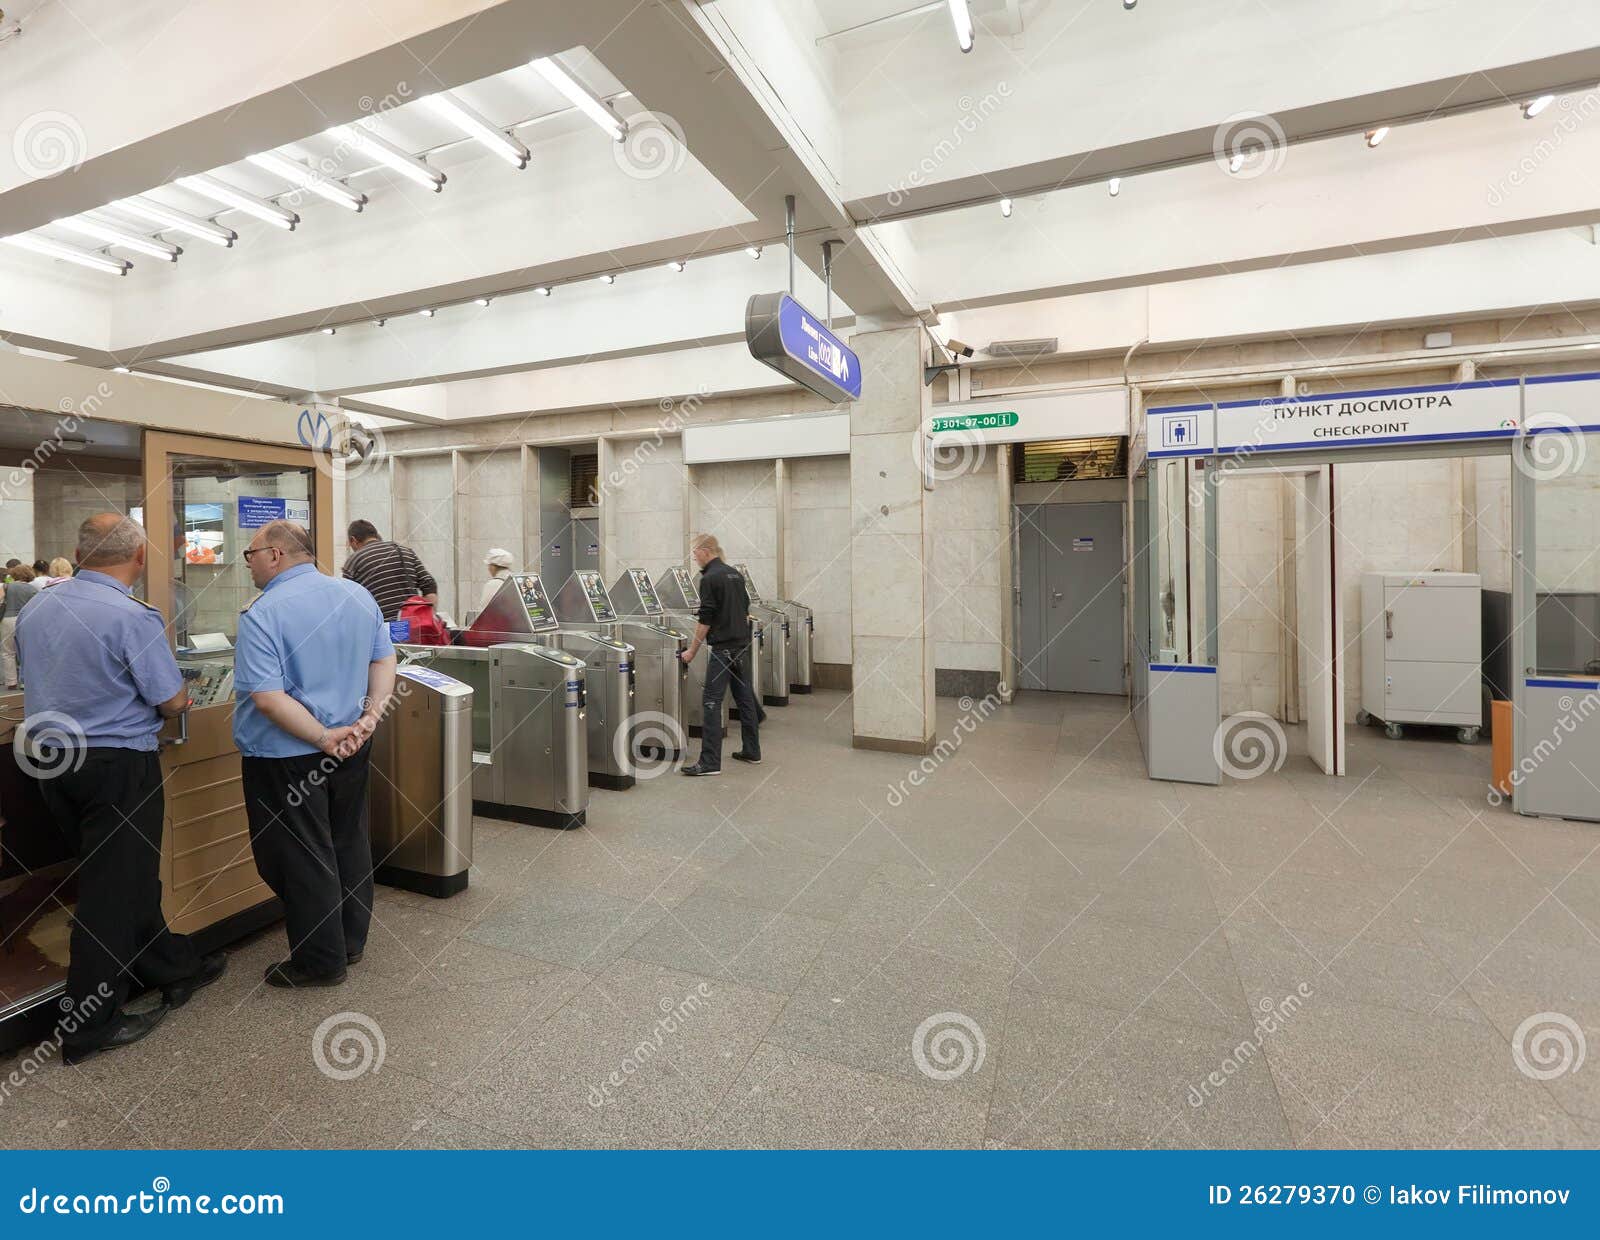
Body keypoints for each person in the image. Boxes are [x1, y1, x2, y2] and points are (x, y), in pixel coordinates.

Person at [14, 514, 226, 1064]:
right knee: (110, 891)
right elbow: (170, 699)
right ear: (138, 557)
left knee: (123, 873)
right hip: (115, 764)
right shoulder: (133, 616)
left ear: (81, 553)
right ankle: (88, 1026)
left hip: (50, 760)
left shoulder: (37, 607)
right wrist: (181, 697)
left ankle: (173, 966)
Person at [235, 519, 395, 987]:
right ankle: (349, 941)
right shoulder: (356, 595)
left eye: (251, 554)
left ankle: (319, 961)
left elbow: (268, 698)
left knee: (297, 855)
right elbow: (384, 659)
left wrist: (324, 737)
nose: (249, 564)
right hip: (352, 746)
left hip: (287, 756)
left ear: (275, 555)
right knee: (347, 839)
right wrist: (368, 719)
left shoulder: (263, 613)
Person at [679, 533, 762, 776]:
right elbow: (745, 608)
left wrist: (692, 651)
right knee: (745, 699)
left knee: (711, 702)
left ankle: (710, 762)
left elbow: (705, 619)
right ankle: (752, 751)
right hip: (741, 646)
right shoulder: (735, 574)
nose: (695, 558)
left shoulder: (709, 578)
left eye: (695, 553)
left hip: (723, 650)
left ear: (706, 551)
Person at [341, 519, 438, 621]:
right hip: (412, 625)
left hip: (381, 627)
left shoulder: (353, 561)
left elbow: (346, 603)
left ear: (353, 540)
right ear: (375, 535)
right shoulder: (405, 551)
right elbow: (429, 584)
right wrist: (429, 618)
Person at [1, 563, 40, 688]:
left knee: (8, 652)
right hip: (26, 619)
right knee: (25, 650)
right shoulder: (32, 589)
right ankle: (24, 681)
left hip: (7, 619)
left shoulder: (6, 586)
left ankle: (11, 682)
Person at [475, 547, 516, 615]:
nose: (488, 569)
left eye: (489, 565)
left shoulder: (493, 585)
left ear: (493, 567)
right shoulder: (515, 580)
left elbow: (483, 613)